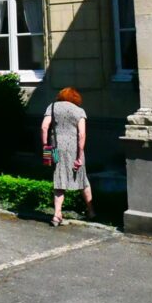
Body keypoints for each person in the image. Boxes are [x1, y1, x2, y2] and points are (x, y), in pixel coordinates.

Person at [41, 87, 95, 226]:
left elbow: (44, 127)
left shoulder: (52, 107)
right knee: (82, 178)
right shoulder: (79, 111)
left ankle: (57, 214)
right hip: (74, 149)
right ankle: (91, 211)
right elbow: (81, 134)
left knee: (59, 178)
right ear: (76, 98)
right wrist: (79, 156)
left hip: (55, 148)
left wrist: (45, 146)